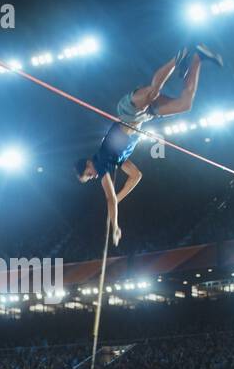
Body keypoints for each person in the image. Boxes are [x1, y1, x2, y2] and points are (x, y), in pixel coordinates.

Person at [75, 43, 223, 246]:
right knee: (185, 104)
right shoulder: (116, 160)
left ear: (88, 165)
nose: (92, 177)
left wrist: (115, 224)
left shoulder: (101, 164)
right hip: (145, 117)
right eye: (89, 179)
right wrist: (118, 198)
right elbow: (136, 177)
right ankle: (198, 56)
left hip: (129, 111)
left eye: (87, 175)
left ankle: (177, 58)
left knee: (152, 92)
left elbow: (109, 199)